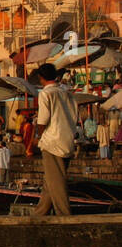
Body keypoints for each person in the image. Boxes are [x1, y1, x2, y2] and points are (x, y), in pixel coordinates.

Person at [31, 64, 77, 216]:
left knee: (56, 183)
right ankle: (39, 214)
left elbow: (42, 121)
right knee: (51, 182)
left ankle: (64, 216)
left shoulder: (46, 94)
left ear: (41, 78)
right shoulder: (67, 93)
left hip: (52, 142)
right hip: (67, 140)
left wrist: (37, 137)